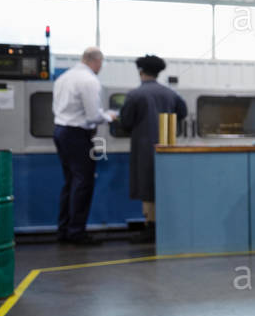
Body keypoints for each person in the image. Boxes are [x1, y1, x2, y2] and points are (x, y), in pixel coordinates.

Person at [52, 46, 116, 245]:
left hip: (61, 131)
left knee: (70, 182)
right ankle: (77, 232)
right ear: (95, 61)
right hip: (77, 134)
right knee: (83, 183)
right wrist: (110, 116)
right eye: (101, 64)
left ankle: (64, 229)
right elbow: (93, 116)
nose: (100, 67)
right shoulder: (89, 81)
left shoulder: (64, 78)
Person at [119, 54, 187, 240]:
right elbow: (183, 111)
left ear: (140, 72)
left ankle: (150, 227)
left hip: (143, 147)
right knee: (163, 185)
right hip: (167, 145)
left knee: (146, 188)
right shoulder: (170, 93)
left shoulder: (135, 95)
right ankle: (166, 226)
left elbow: (125, 122)